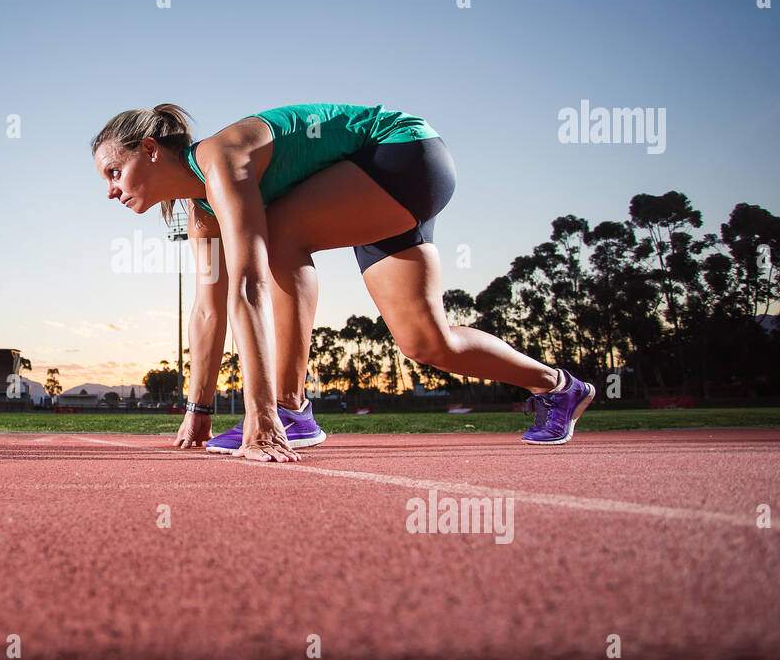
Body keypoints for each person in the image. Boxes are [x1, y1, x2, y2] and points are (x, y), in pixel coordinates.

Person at [91, 103, 595, 462]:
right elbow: (208, 309)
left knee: (278, 233)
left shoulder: (220, 158)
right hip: (371, 195)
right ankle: (559, 387)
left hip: (400, 152)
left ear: (151, 150)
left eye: (115, 172)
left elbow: (249, 286)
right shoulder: (202, 216)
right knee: (426, 341)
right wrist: (198, 408)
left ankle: (288, 409)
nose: (112, 192)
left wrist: (259, 413)